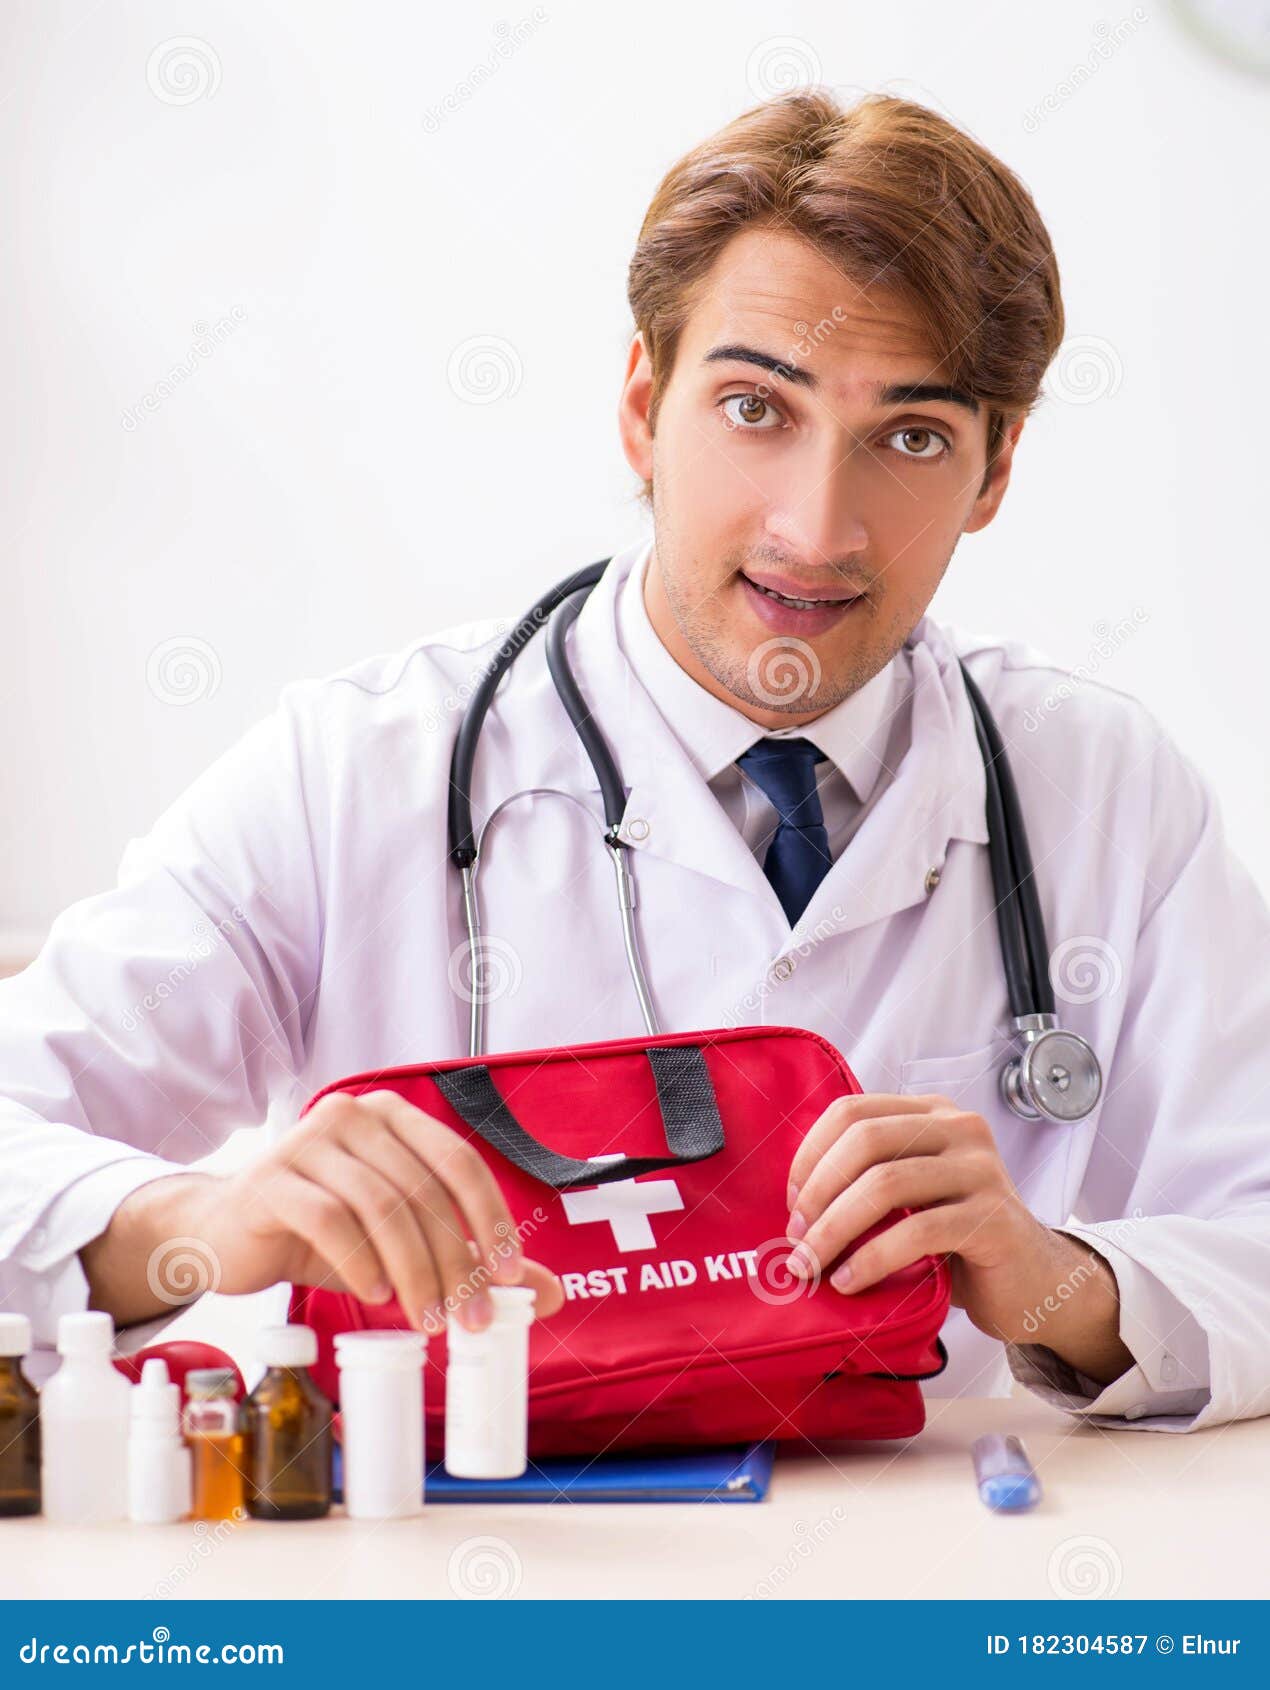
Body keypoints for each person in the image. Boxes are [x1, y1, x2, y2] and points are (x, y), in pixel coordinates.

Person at [3, 88, 1267, 1433]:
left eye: (909, 436)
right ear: (641, 408)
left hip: (936, 1581)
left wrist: (1052, 1280)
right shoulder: (359, 770)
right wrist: (212, 1216)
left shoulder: (1099, 789)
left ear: (995, 470)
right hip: (492, 1581)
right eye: (752, 407)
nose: (816, 525)